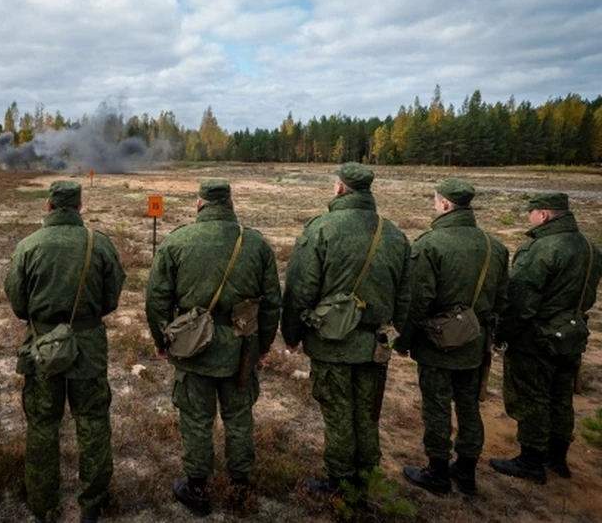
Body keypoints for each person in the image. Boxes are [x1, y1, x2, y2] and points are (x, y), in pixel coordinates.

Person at [145, 179, 282, 516]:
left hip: (194, 347)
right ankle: (239, 486)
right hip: (242, 348)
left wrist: (162, 339)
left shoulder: (178, 241)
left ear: (199, 203)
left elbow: (156, 298)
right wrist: (264, 345)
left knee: (195, 418)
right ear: (231, 202)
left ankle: (197, 488)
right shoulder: (256, 244)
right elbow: (272, 303)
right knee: (239, 418)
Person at [281, 162, 410, 494]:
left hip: (331, 343)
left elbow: (300, 289)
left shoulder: (321, 229)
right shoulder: (394, 234)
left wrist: (292, 335)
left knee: (339, 412)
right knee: (368, 414)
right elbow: (407, 294)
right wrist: (403, 337)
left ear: (340, 188)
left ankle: (340, 483)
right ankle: (367, 478)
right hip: (375, 344)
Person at [4, 181, 125, 523]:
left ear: (48, 205)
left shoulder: (28, 246)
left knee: (42, 424)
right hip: (88, 347)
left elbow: (17, 301)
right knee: (92, 422)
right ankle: (92, 505)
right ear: (80, 205)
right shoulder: (98, 244)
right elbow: (112, 298)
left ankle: (43, 505)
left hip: (42, 348)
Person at [394, 179, 509, 496]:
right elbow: (502, 301)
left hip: (436, 344)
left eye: (436, 200)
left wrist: (403, 341)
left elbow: (418, 302)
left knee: (437, 406)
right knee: (470, 406)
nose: (435, 205)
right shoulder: (494, 247)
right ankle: (467, 471)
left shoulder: (429, 245)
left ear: (444, 204)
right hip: (475, 342)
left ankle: (438, 473)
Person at [490, 192, 602, 483]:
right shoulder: (590, 248)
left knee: (532, 396)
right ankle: (557, 457)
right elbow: (587, 296)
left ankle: (531, 460)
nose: (529, 218)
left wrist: (503, 333)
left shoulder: (541, 249)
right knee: (561, 394)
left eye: (532, 212)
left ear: (544, 214)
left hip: (536, 337)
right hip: (572, 333)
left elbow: (521, 300)